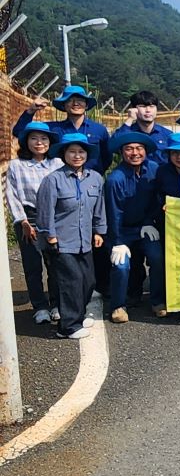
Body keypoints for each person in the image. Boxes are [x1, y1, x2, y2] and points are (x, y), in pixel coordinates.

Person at [36, 133, 106, 339]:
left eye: (81, 151)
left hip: (85, 240)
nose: (77, 156)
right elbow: (44, 211)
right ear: (64, 154)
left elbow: (99, 208)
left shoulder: (95, 178)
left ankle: (78, 315)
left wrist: (99, 230)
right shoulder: (53, 180)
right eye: (72, 152)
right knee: (71, 282)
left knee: (89, 281)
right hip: (61, 240)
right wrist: (50, 236)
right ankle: (68, 327)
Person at [104, 132, 164, 323]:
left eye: (139, 148)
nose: (135, 153)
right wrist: (117, 241)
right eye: (129, 149)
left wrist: (148, 221)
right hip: (122, 231)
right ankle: (118, 305)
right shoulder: (115, 179)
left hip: (146, 227)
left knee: (157, 257)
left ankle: (158, 300)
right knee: (121, 266)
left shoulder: (154, 170)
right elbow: (113, 213)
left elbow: (157, 200)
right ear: (121, 152)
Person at [6, 122, 62, 323]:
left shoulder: (57, 164)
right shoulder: (16, 165)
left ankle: (56, 304)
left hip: (53, 217)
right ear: (26, 141)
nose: (39, 143)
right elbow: (12, 195)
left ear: (50, 142)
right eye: (34, 138)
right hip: (28, 218)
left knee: (55, 262)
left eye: (44, 139)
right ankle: (39, 306)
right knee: (32, 265)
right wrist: (22, 221)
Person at [13, 85, 111, 174]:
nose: (75, 103)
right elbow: (19, 132)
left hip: (90, 182)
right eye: (70, 100)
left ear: (87, 105)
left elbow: (106, 157)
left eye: (80, 100)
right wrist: (31, 110)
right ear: (63, 105)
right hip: (60, 183)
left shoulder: (99, 130)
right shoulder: (53, 129)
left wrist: (96, 174)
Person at [113, 91, 172, 164]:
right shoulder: (128, 132)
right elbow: (113, 144)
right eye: (143, 106)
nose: (148, 110)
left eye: (152, 106)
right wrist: (130, 119)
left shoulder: (167, 135)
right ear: (134, 109)